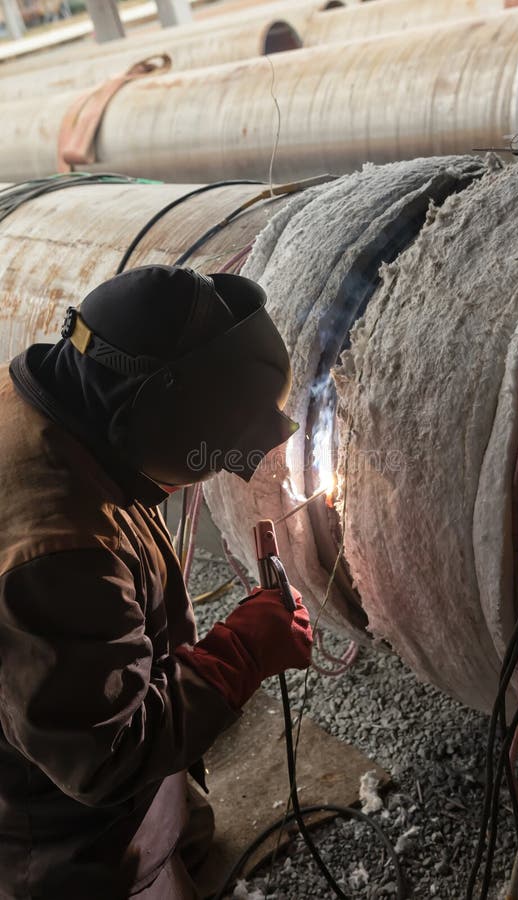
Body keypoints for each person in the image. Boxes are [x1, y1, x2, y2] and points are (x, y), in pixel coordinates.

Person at [0, 264, 313, 899]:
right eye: (205, 454)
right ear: (151, 418)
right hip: (64, 844)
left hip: (63, 757)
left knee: (176, 831)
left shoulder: (56, 401)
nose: (204, 473)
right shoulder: (61, 552)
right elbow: (105, 755)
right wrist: (242, 652)